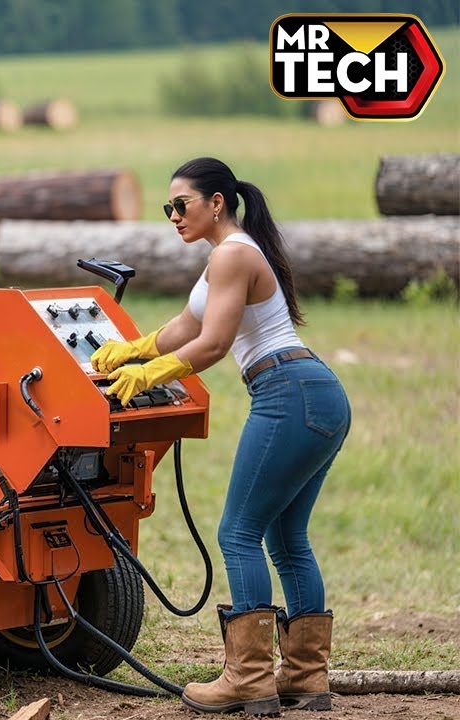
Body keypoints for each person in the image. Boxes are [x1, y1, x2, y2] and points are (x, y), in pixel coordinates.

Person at [90, 157, 351, 716]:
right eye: (167, 208)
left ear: (216, 203)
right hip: (316, 393)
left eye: (180, 205)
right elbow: (188, 326)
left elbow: (210, 345)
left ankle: (249, 679)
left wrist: (148, 375)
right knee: (286, 538)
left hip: (288, 392)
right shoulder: (227, 256)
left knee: (238, 532)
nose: (172, 216)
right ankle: (305, 677)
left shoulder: (233, 254)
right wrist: (136, 349)